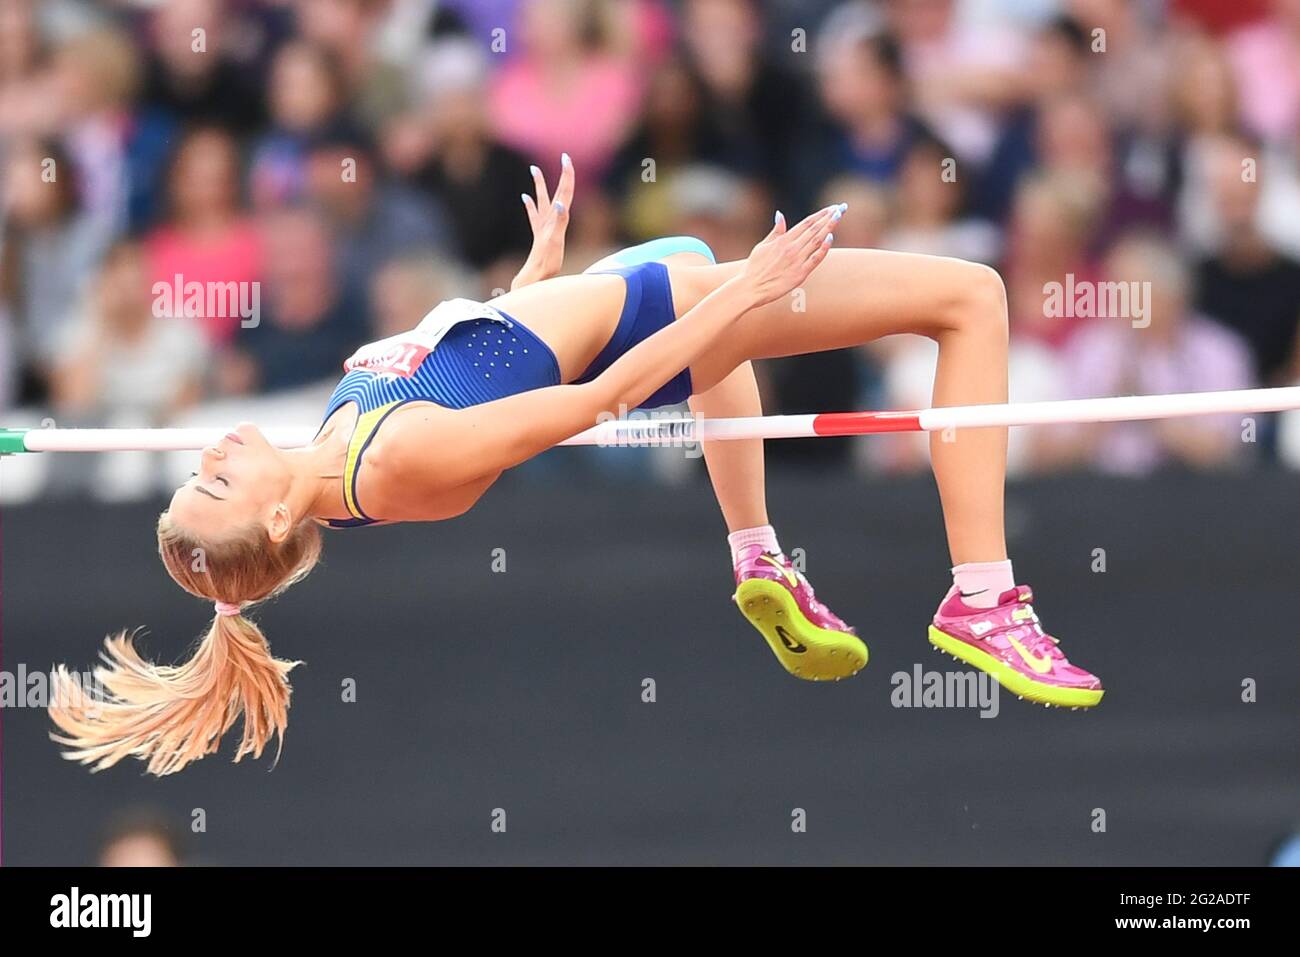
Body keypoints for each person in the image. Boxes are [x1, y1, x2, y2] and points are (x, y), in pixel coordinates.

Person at [49, 159, 1104, 777]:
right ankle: (982, 598)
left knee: (708, 305)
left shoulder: (331, 439)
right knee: (968, 297)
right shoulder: (395, 463)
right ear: (277, 523)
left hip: (619, 286)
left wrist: (536, 274)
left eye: (198, 468)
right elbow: (591, 402)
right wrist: (741, 298)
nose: (217, 449)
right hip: (657, 319)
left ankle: (760, 561)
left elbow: (479, 357)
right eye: (218, 481)